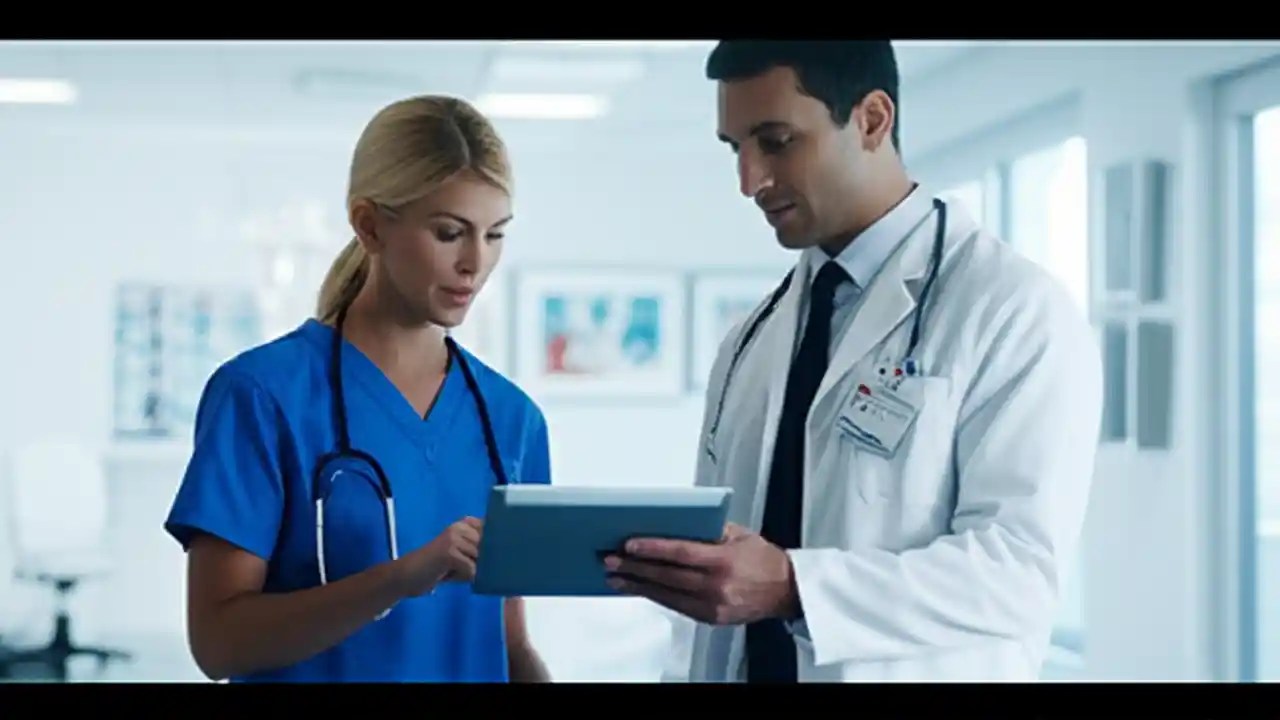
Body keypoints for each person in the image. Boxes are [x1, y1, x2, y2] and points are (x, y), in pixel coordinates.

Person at [603, 40, 1103, 682]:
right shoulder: (752, 338)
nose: (750, 180)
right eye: (736, 148)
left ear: (871, 120)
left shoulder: (1011, 309)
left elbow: (1017, 573)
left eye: (776, 141)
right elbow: (721, 572)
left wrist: (794, 586)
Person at [163, 95, 554, 683]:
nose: (476, 262)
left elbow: (509, 645)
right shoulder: (263, 397)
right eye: (450, 233)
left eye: (495, 235)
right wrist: (402, 576)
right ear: (369, 225)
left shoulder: (511, 420)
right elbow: (219, 644)